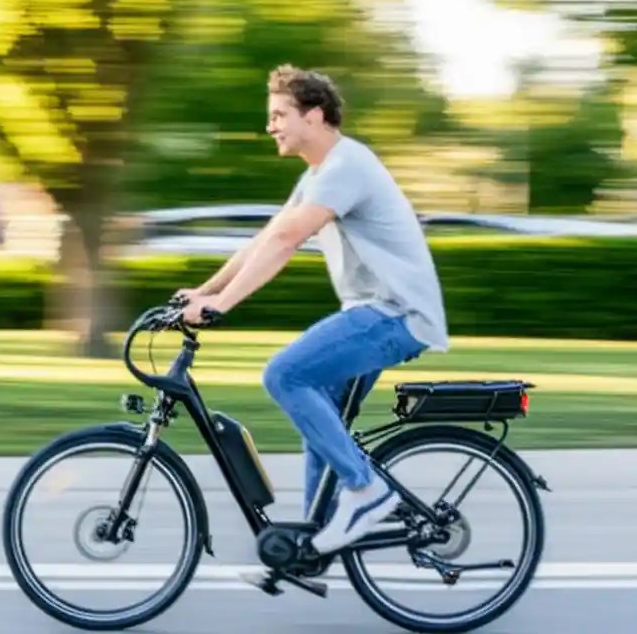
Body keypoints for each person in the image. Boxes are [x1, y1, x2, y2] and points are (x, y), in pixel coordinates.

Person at [174, 64, 449, 555]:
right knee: (318, 412)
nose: (270, 125)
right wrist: (204, 290)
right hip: (379, 312)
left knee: (285, 376)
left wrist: (222, 305)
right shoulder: (320, 174)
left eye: (279, 115)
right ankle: (307, 548)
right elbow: (265, 238)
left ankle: (365, 492)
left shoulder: (347, 167)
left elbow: (286, 238)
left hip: (395, 314)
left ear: (315, 116)